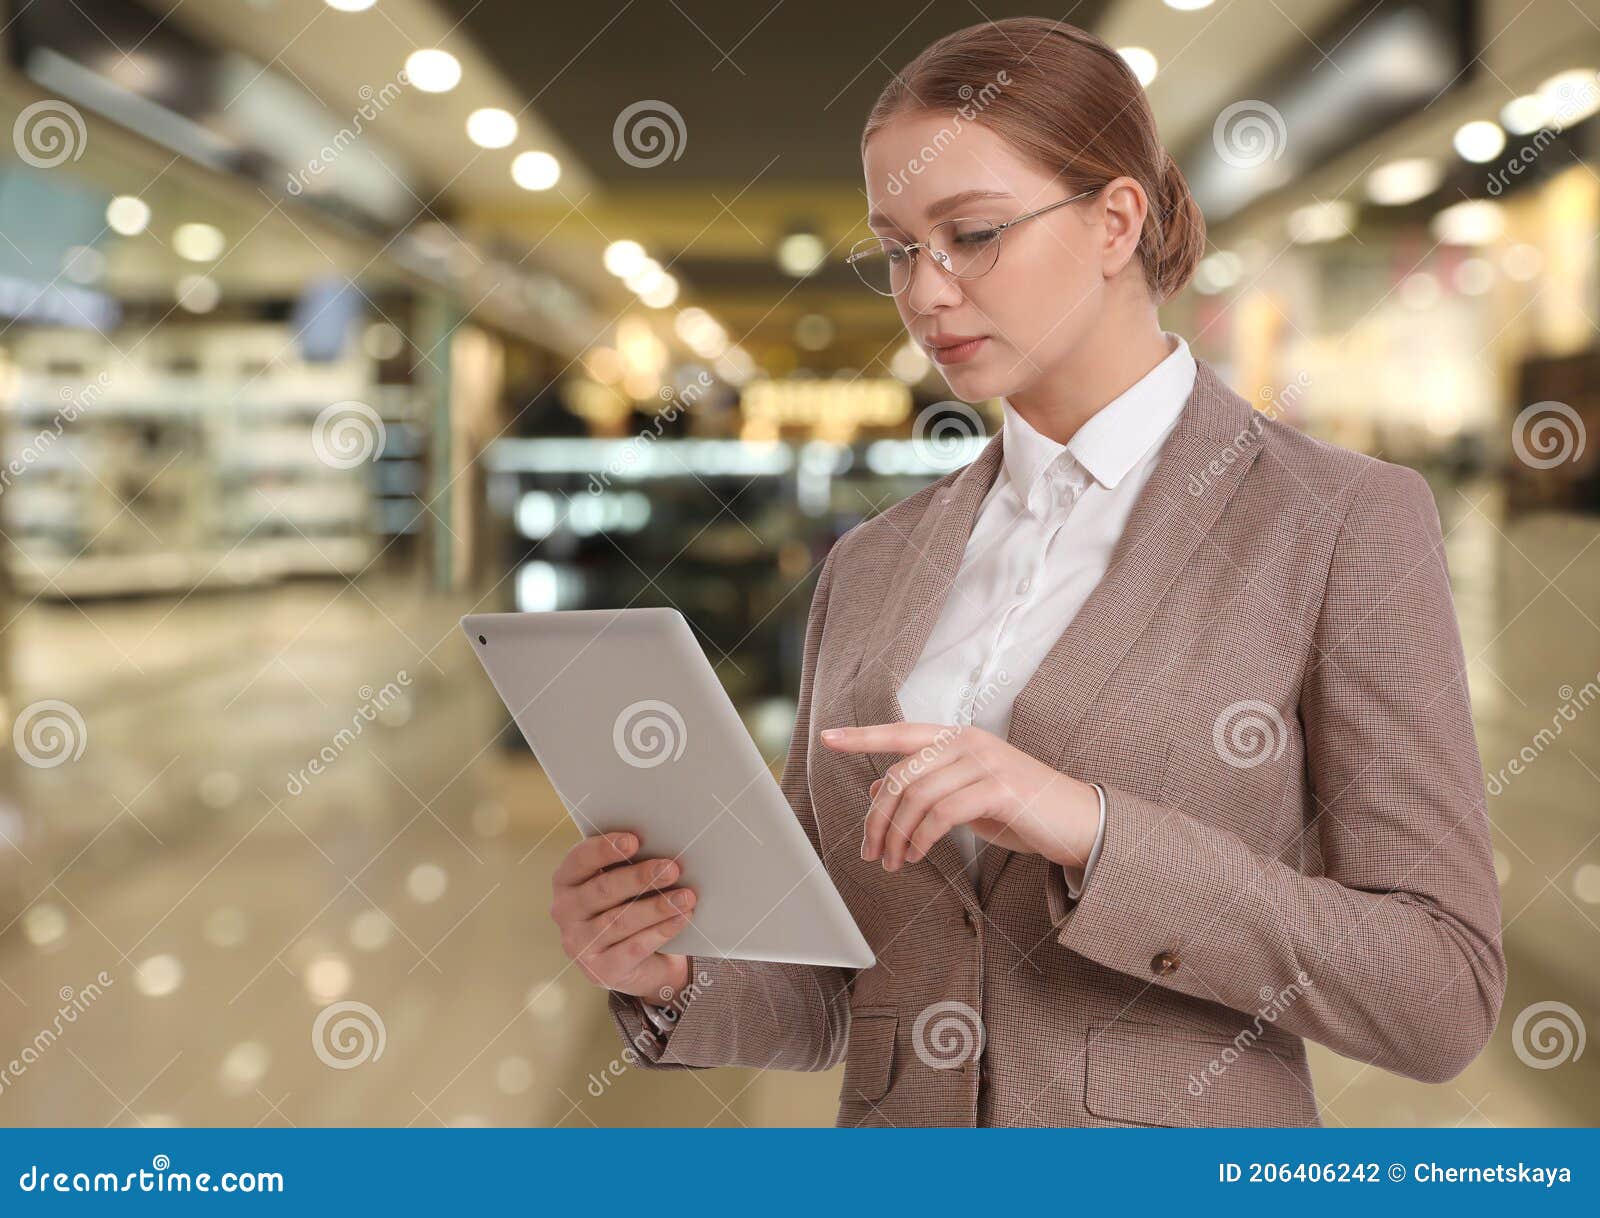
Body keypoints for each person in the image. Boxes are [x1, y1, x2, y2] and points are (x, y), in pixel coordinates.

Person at [549, 17, 1505, 1127]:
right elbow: (836, 990)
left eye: (971, 234)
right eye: (898, 249)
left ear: (1115, 220)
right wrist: (670, 969)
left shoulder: (1336, 522)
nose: (925, 292)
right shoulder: (874, 563)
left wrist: (1092, 830)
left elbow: (1438, 991)